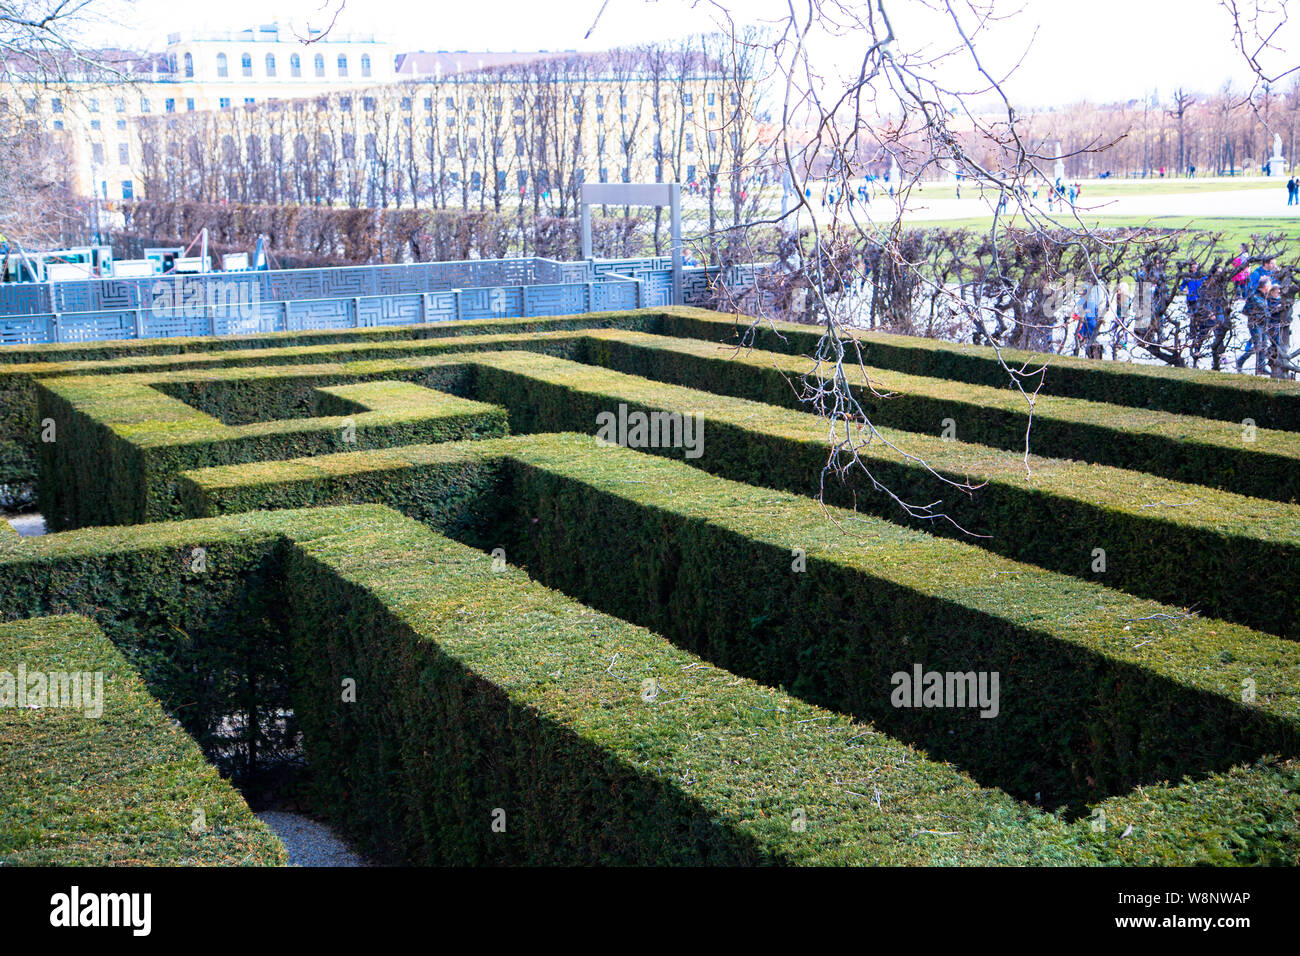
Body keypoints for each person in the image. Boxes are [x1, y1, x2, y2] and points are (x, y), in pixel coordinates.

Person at [1237, 277, 1274, 373]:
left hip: (1263, 324)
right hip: (1255, 324)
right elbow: (1245, 311)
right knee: (1258, 345)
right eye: (1269, 285)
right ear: (1265, 286)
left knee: (1264, 345)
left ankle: (1260, 368)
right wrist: (1258, 315)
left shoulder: (1264, 296)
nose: (1270, 287)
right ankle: (1240, 361)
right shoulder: (1254, 297)